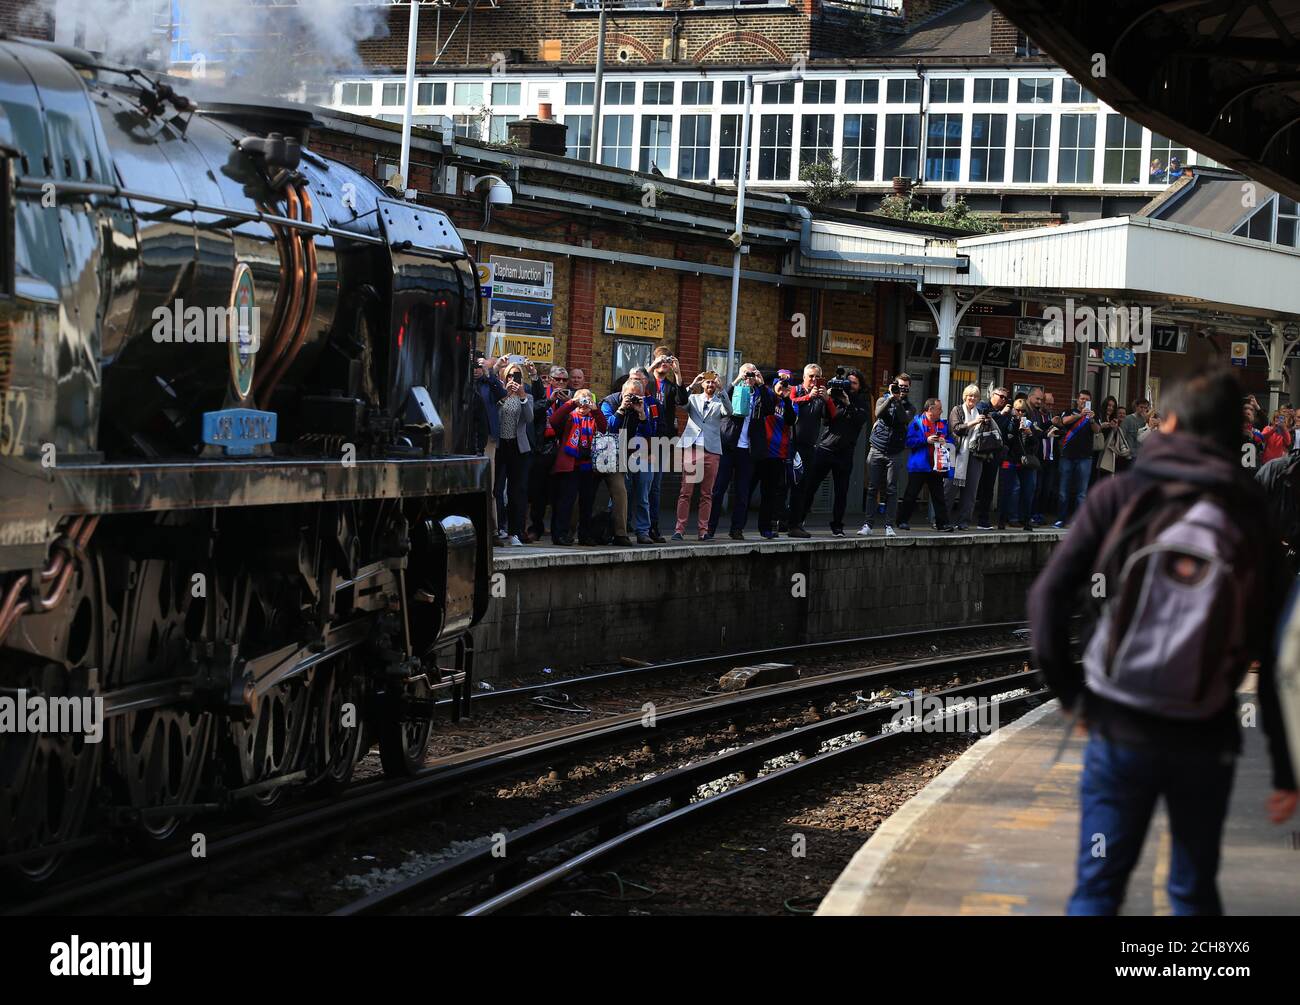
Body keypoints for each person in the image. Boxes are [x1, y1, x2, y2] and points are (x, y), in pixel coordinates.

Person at [1029, 370, 1296, 916]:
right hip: (1207, 730)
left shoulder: (1122, 494)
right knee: (1192, 889)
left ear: (1169, 423)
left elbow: (1048, 599)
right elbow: (1274, 653)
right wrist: (1285, 770)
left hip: (1120, 723)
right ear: (1234, 432)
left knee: (1099, 887)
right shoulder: (1249, 516)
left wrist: (1073, 697)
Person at [786, 368, 870, 538]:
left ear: (860, 386)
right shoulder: (833, 398)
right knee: (809, 486)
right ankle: (798, 521)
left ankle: (837, 526)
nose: (850, 386)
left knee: (841, 491)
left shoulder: (861, 403)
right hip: (825, 448)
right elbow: (827, 418)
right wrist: (828, 397)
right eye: (848, 382)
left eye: (854, 383)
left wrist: (848, 403)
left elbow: (860, 420)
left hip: (845, 451)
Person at [675, 371, 731, 541]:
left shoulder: (719, 400)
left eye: (713, 383)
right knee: (686, 491)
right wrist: (692, 385)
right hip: (692, 448)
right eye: (707, 382)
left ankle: (703, 530)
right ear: (702, 384)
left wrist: (722, 391)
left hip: (711, 449)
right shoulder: (693, 398)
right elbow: (680, 403)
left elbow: (729, 411)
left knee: (707, 493)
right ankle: (679, 529)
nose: (710, 385)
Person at [709, 364, 763, 541]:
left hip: (747, 450)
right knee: (718, 490)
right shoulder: (734, 389)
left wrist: (760, 384)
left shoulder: (759, 394)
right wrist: (738, 379)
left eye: (751, 374)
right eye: (745, 373)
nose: (748, 377)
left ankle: (737, 529)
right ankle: (710, 528)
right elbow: (723, 396)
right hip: (728, 446)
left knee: (743, 492)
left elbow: (769, 407)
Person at [548, 388, 607, 546]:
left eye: (587, 400)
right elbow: (553, 420)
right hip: (570, 465)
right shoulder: (569, 416)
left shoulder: (593, 418)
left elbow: (603, 427)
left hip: (588, 465)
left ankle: (585, 535)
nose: (584, 404)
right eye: (582, 400)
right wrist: (572, 403)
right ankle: (560, 535)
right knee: (566, 502)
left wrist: (596, 410)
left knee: (587, 503)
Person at [861, 372, 915, 537]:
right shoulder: (882, 399)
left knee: (891, 489)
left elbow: (903, 419)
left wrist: (898, 401)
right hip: (877, 448)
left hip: (895, 452)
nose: (902, 389)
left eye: (906, 387)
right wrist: (891, 398)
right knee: (872, 488)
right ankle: (868, 524)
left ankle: (888, 525)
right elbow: (878, 413)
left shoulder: (910, 407)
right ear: (894, 385)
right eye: (900, 386)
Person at [603, 377, 657, 545]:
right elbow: (607, 427)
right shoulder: (609, 402)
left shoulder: (643, 406)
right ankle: (611, 531)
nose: (633, 399)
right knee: (614, 494)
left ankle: (635, 532)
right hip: (608, 453)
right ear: (622, 392)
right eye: (629, 395)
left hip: (634, 453)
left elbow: (649, 434)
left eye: (637, 396)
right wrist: (620, 410)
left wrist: (641, 414)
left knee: (636, 493)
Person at [750, 371, 798, 539]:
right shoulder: (767, 396)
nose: (782, 386)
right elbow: (764, 401)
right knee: (747, 490)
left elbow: (791, 420)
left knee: (769, 494)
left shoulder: (788, 403)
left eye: (786, 384)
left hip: (778, 455)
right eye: (780, 383)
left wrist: (786, 397)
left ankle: (765, 528)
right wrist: (767, 386)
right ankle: (737, 528)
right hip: (760, 452)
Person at [646, 352, 688, 543]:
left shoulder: (670, 386)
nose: (664, 364)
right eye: (661, 360)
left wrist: (678, 373)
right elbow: (637, 382)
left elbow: (682, 401)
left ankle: (652, 526)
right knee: (634, 484)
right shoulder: (646, 381)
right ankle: (627, 524)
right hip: (641, 437)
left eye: (667, 361)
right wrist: (653, 364)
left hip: (662, 440)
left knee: (655, 486)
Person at [525, 365, 570, 542]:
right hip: (541, 447)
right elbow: (534, 413)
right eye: (557, 379)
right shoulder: (541, 394)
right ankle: (535, 527)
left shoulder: (571, 398)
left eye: (563, 380)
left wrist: (569, 404)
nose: (560, 383)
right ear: (550, 379)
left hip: (561, 448)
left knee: (559, 491)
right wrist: (550, 401)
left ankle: (558, 530)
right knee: (538, 492)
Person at [896, 397, 954, 531]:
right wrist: (925, 440)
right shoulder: (916, 423)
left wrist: (945, 441)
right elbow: (908, 442)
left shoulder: (942, 424)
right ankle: (902, 521)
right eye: (939, 409)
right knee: (911, 495)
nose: (942, 411)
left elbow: (950, 439)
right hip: (919, 466)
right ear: (930, 409)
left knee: (939, 496)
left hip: (937, 465)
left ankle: (942, 524)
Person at [494, 362, 536, 547]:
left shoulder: (527, 396)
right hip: (500, 446)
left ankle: (515, 532)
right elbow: (494, 416)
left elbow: (529, 418)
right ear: (504, 377)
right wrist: (506, 396)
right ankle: (498, 528)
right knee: (497, 489)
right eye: (510, 376)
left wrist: (521, 397)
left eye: (517, 376)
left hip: (518, 448)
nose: (513, 379)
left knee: (516, 492)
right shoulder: (499, 395)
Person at [947, 384, 994, 531]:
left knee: (971, 491)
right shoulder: (957, 410)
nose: (972, 398)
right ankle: (943, 520)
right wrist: (974, 422)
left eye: (975, 396)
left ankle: (964, 522)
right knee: (949, 490)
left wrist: (987, 423)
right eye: (970, 395)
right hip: (958, 453)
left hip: (976, 454)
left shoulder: (980, 411)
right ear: (965, 396)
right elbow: (956, 428)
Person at [787, 364, 826, 530]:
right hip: (792, 445)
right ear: (804, 377)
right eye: (811, 376)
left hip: (809, 447)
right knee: (786, 485)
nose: (814, 380)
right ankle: (782, 522)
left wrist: (827, 399)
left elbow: (831, 416)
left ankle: (795, 523)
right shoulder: (796, 389)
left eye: (817, 377)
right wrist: (809, 396)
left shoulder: (820, 397)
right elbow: (792, 402)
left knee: (804, 487)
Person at [995, 396, 1040, 532]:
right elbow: (1006, 440)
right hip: (1010, 461)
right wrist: (1015, 426)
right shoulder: (1008, 422)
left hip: (1025, 463)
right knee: (1007, 491)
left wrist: (1029, 433)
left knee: (1027, 492)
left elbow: (1035, 445)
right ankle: (1002, 521)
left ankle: (1026, 521)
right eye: (1017, 410)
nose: (1020, 413)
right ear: (1013, 410)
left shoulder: (1030, 424)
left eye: (1023, 411)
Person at [1053, 388, 1095, 528]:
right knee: (1063, 491)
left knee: (1081, 493)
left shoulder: (1092, 415)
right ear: (1077, 400)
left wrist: (1092, 419)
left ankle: (1079, 521)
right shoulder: (1070, 411)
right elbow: (1064, 421)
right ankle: (1060, 519)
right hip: (1068, 456)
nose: (1084, 401)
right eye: (1082, 399)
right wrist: (1080, 415)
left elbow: (1098, 430)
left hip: (1085, 457)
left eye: (1087, 400)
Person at [1031, 389, 1059, 524]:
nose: (1050, 407)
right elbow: (1038, 430)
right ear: (1042, 403)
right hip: (1039, 457)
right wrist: (1051, 424)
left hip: (1051, 458)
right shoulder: (1036, 416)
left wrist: (1059, 428)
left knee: (1046, 490)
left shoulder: (1053, 417)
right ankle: (1032, 514)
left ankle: (1040, 515)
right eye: (1048, 404)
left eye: (1052, 404)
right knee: (1037, 488)